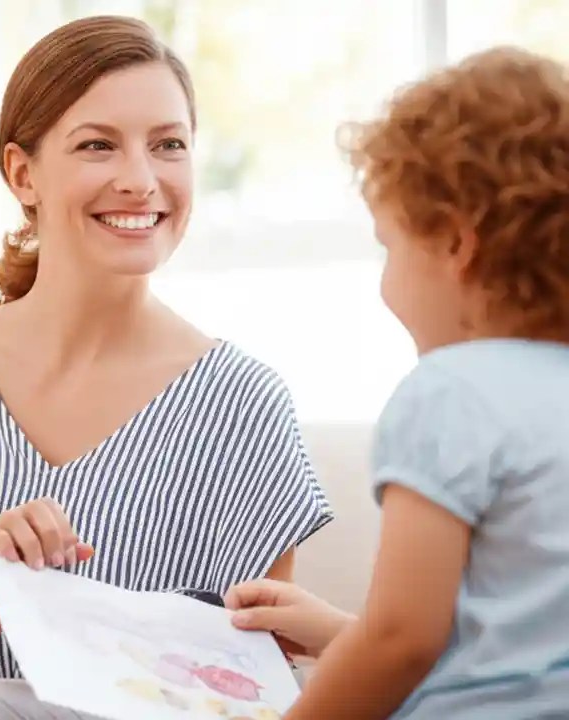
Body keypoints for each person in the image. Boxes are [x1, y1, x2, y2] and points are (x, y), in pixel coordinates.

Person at [0, 15, 332, 719]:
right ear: (23, 174)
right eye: (97, 146)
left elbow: (250, 688)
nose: (141, 181)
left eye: (169, 145)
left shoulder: (244, 403)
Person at [226, 47, 569, 719]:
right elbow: (512, 642)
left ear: (454, 245)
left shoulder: (451, 391)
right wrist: (331, 630)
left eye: (389, 246)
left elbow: (401, 640)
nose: (386, 282)